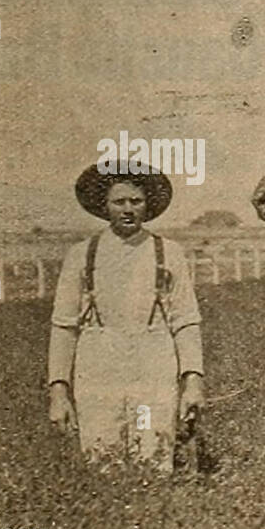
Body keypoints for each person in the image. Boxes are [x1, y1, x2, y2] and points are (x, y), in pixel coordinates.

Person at [47, 163, 204, 471]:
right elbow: (64, 327)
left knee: (154, 458)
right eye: (119, 202)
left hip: (154, 364)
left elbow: (186, 321)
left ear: (148, 205)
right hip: (97, 367)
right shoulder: (82, 255)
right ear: (105, 206)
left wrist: (193, 382)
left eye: (136, 201)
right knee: (102, 462)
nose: (128, 209)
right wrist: (58, 392)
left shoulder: (168, 252)